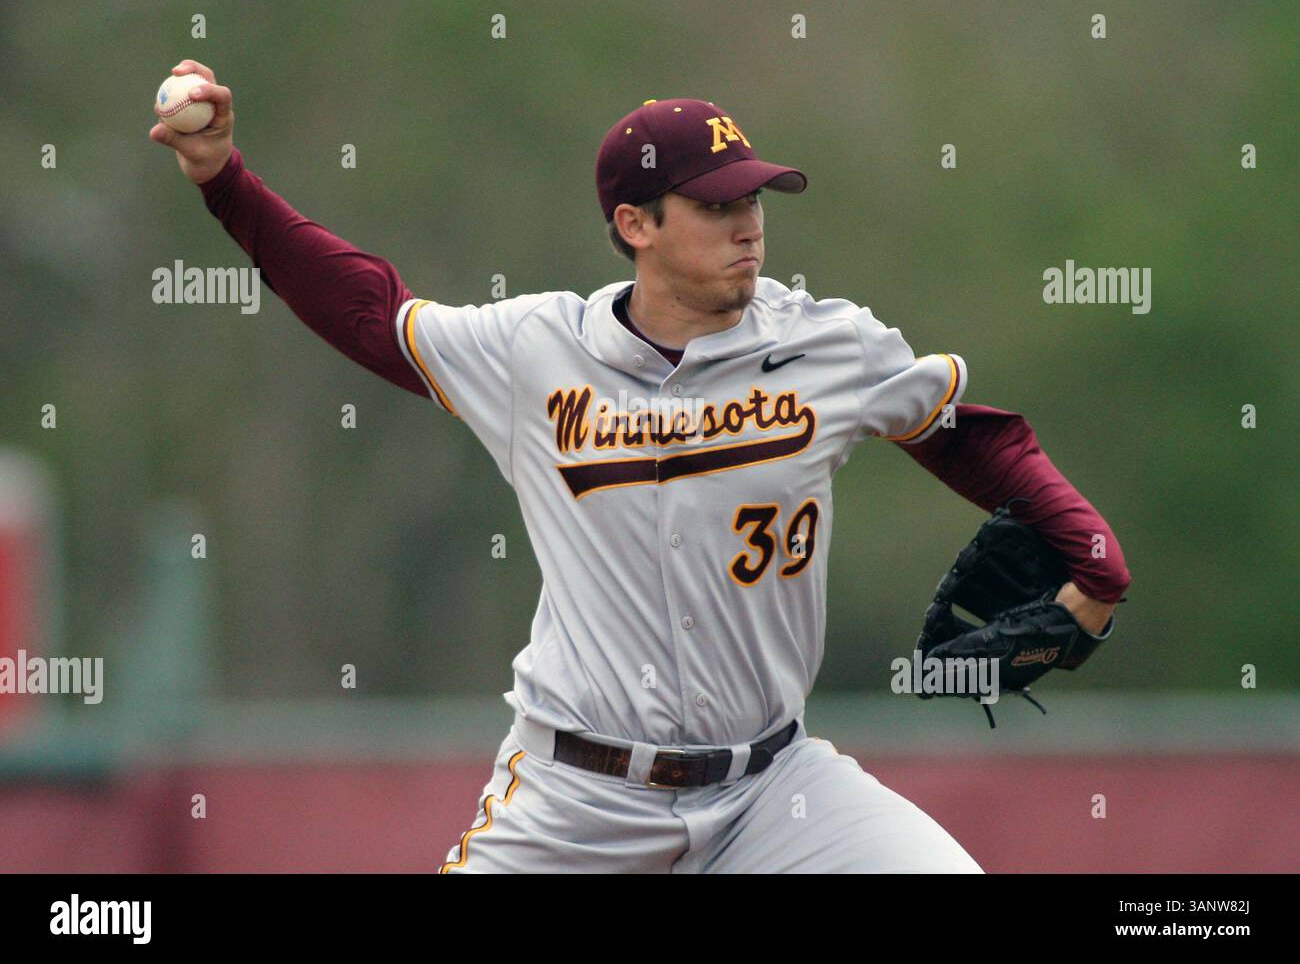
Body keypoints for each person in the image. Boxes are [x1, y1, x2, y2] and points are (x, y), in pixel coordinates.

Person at [152, 63, 1131, 873]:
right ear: (636, 226)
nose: (748, 222)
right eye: (713, 205)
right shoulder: (534, 352)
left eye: (753, 196)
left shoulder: (829, 346)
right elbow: (367, 308)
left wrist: (1089, 550)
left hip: (772, 793)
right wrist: (224, 181)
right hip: (577, 797)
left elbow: (964, 431)